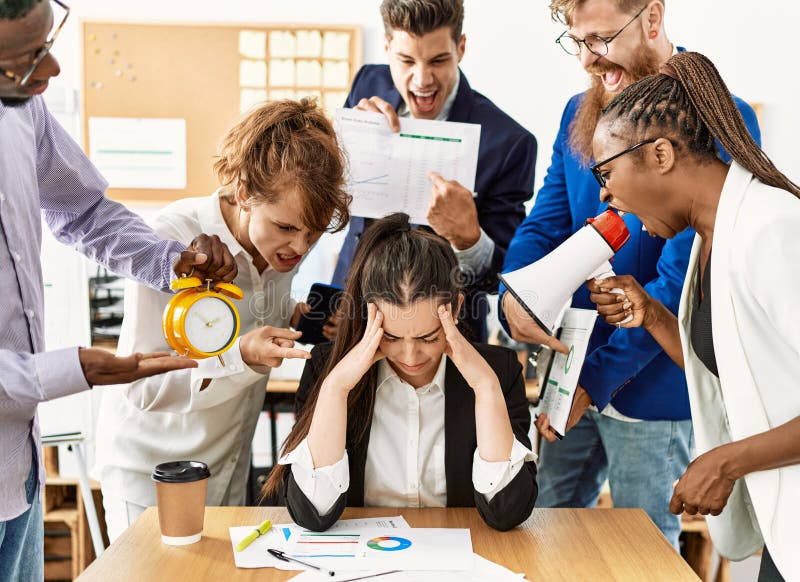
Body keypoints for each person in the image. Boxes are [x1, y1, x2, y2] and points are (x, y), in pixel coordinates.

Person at [498, 0, 761, 549]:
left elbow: (679, 286)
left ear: (652, 18)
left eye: (601, 38)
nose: (588, 59)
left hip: (654, 394)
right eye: (577, 41)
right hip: (572, 371)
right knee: (542, 531)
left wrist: (592, 383)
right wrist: (513, 295)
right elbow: (546, 224)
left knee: (646, 551)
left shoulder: (718, 114)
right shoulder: (579, 110)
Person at [0, 1, 236, 579]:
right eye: (25, 60)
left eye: (46, 43)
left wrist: (170, 259)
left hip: (14, 468)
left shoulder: (22, 109)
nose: (51, 70)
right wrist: (70, 370)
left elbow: (80, 208)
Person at [93, 98, 352, 541]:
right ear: (245, 191)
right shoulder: (172, 239)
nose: (299, 248)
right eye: (287, 228)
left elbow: (241, 312)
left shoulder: (276, 251)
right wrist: (241, 356)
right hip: (154, 478)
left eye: (313, 233)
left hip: (227, 474)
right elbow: (142, 386)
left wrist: (301, 317)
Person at [588, 51, 799, 582]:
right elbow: (731, 378)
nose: (606, 194)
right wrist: (656, 317)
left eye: (607, 172)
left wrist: (727, 462)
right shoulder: (710, 239)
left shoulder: (772, 229)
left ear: (660, 154)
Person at [263, 213, 538, 532]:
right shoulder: (327, 369)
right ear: (369, 315)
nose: (410, 355)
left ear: (456, 309)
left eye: (428, 337)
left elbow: (508, 512)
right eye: (391, 336)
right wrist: (336, 388)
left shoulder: (498, 372)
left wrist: (486, 388)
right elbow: (312, 513)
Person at [330, 0, 537, 342]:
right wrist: (348, 143)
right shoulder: (367, 84)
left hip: (443, 341)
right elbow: (334, 193)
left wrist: (468, 238)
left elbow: (503, 275)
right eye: (406, 60)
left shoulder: (509, 143)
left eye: (439, 60)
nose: (422, 80)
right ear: (386, 48)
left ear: (461, 47)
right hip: (351, 322)